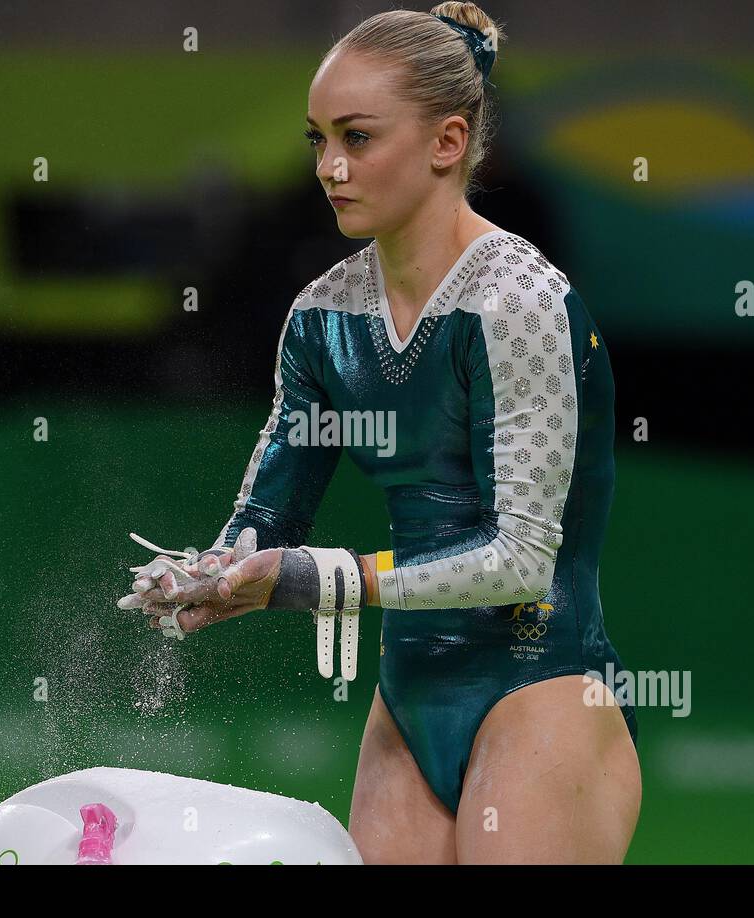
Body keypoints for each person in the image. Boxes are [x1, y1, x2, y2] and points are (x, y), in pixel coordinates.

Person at [119, 2, 641, 864]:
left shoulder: (519, 303)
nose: (329, 167)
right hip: (408, 697)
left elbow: (520, 560)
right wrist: (209, 571)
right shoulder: (322, 316)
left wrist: (313, 579)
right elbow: (269, 514)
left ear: (446, 142)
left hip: (541, 681)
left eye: (357, 138)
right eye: (317, 139)